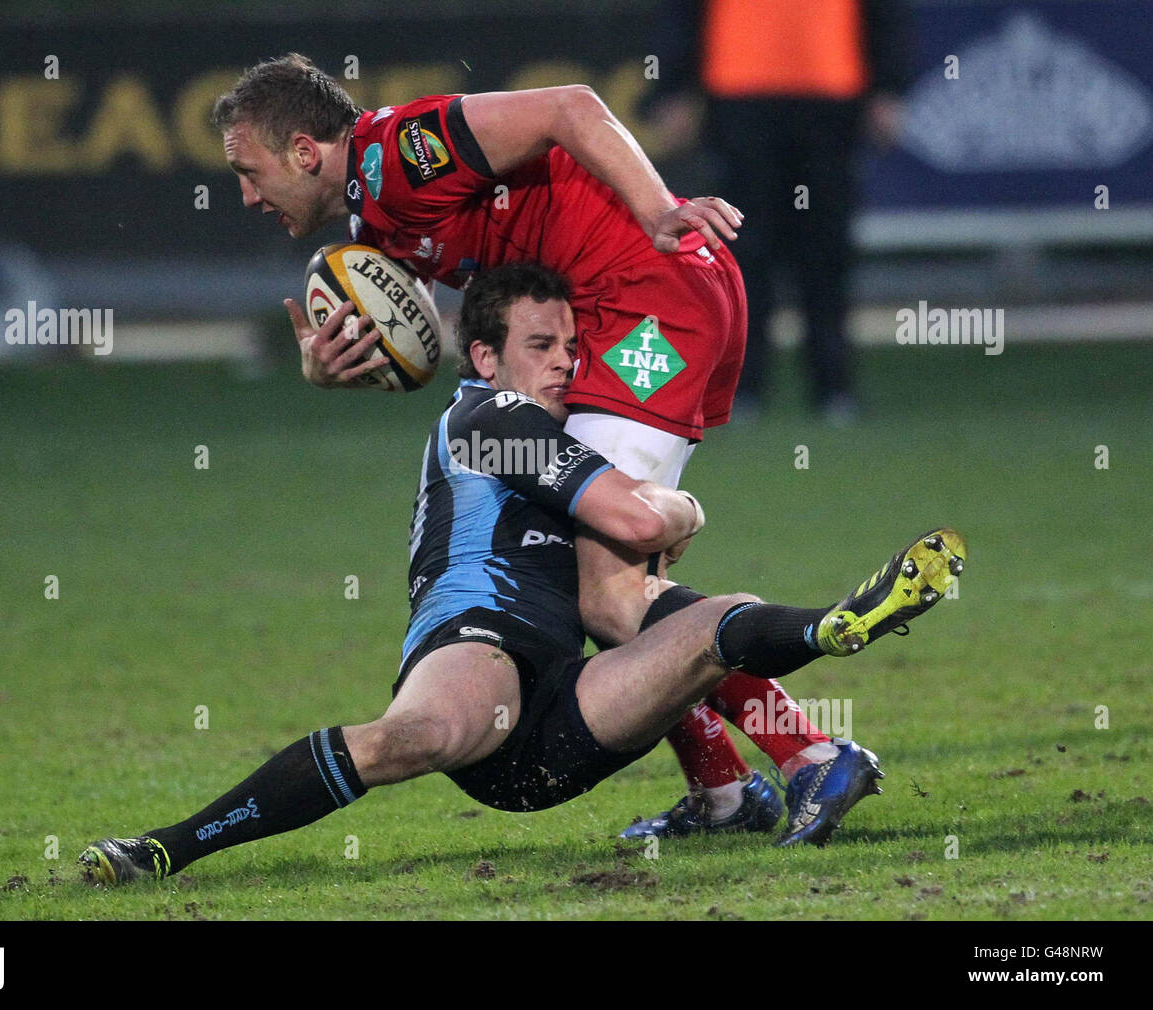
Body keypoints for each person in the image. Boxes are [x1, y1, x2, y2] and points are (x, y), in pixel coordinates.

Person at [78, 264, 965, 884]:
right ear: (487, 358)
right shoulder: (490, 416)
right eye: (541, 344)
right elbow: (637, 516)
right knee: (416, 735)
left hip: (564, 718)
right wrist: (688, 512)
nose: (565, 361)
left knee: (700, 624)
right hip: (479, 648)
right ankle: (165, 848)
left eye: (570, 345)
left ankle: (830, 631)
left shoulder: (544, 430)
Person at [213, 55, 881, 846]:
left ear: (302, 150)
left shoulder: (398, 154)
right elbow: (424, 340)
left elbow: (569, 105)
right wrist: (328, 371)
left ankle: (810, 755)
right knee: (593, 574)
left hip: (641, 298)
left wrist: (656, 207)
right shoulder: (375, 217)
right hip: (623, 306)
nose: (247, 196)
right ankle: (724, 792)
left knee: (609, 593)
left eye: (248, 171)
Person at [643, 0, 916, 424]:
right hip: (740, 89)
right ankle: (741, 388)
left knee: (824, 251)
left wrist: (889, 86)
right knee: (741, 248)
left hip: (828, 88)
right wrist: (673, 86)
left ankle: (832, 388)